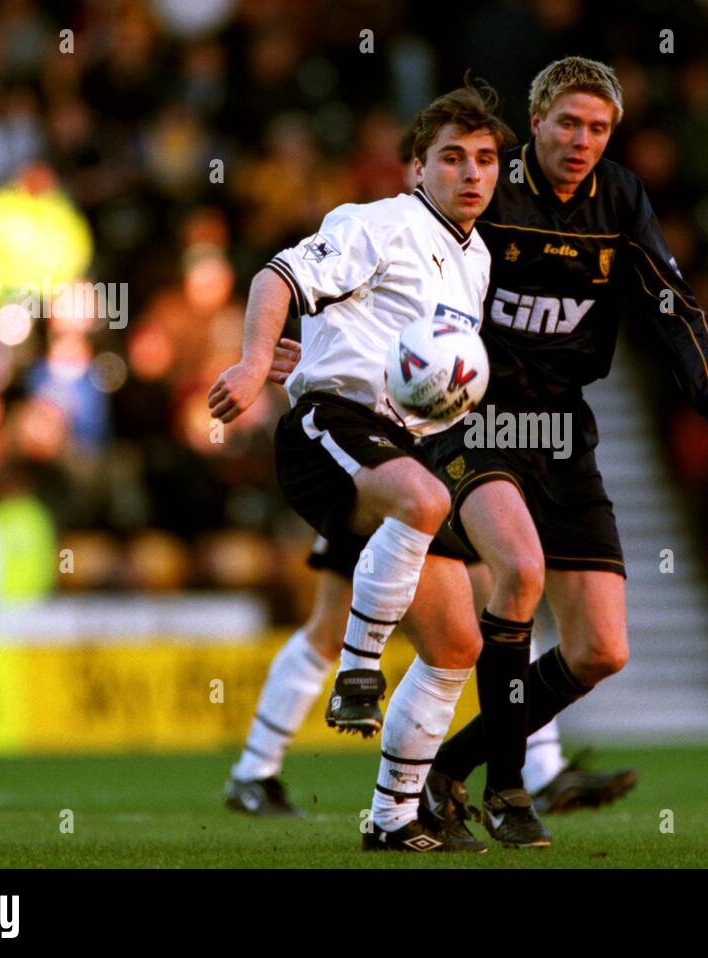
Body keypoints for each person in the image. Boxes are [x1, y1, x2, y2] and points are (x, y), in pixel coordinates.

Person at [417, 57, 708, 848]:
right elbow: (401, 262)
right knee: (521, 574)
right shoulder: (483, 191)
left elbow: (669, 303)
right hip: (480, 418)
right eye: (568, 124)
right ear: (534, 122)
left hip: (564, 427)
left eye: (599, 128)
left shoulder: (621, 197)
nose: (582, 141)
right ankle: (509, 789)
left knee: (601, 647)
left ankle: (448, 769)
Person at [209, 83, 513, 851]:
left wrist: (313, 351)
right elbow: (276, 276)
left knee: (456, 645)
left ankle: (392, 818)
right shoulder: (377, 223)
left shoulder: (474, 259)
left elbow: (393, 349)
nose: (471, 174)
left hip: (397, 449)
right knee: (421, 501)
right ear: (417, 168)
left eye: (486, 160)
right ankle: (356, 673)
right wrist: (251, 366)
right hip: (330, 433)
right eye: (452, 158)